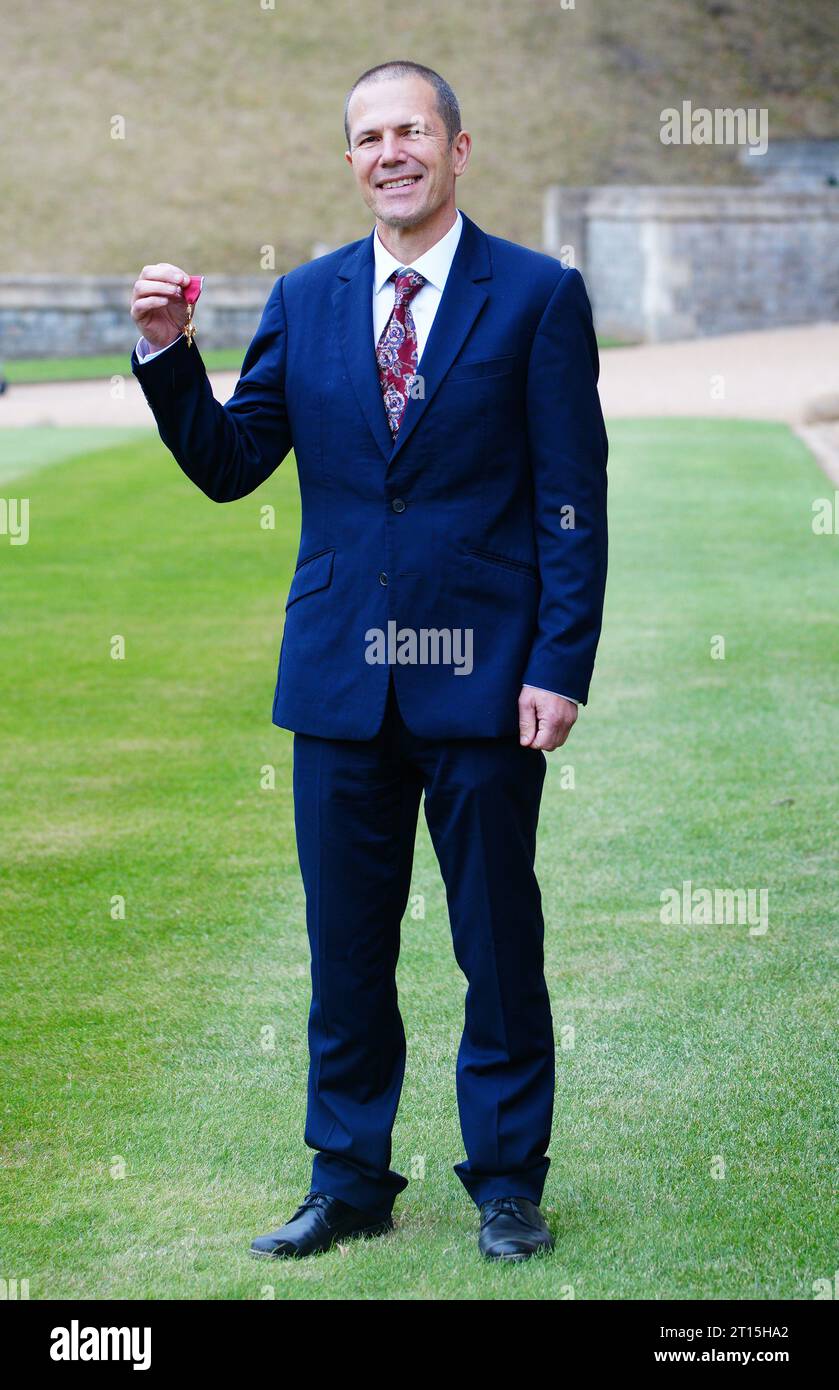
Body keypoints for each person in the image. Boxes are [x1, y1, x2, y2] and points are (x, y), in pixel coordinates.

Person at [130, 60, 608, 1262]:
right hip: (341, 680)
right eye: (367, 136)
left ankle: (506, 1180)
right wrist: (169, 355)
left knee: (494, 942)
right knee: (346, 948)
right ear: (350, 160)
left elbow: (569, 500)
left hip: (484, 674)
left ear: (457, 149)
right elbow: (235, 461)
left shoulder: (540, 296)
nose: (389, 151)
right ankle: (348, 1178)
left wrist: (558, 665)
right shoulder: (305, 295)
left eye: (410, 131)